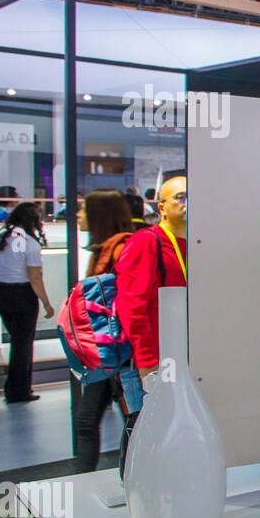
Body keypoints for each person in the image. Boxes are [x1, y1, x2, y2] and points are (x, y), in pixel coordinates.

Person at [72, 189, 136, 471]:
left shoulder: (122, 250)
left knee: (132, 425)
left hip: (119, 352)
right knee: (89, 422)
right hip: (105, 351)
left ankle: (136, 482)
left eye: (83, 210)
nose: (78, 215)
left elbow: (131, 304)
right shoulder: (103, 252)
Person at [116, 175, 187, 385]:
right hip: (155, 361)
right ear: (162, 208)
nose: (189, 203)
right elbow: (132, 306)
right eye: (181, 197)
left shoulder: (199, 244)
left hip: (184, 355)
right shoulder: (146, 242)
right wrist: (147, 361)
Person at [0, 202, 54, 403]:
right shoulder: (31, 244)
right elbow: (35, 278)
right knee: (23, 346)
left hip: (1, 293)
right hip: (22, 295)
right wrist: (46, 303)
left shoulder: (4, 238)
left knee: (18, 343)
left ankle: (13, 388)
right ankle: (18, 391)